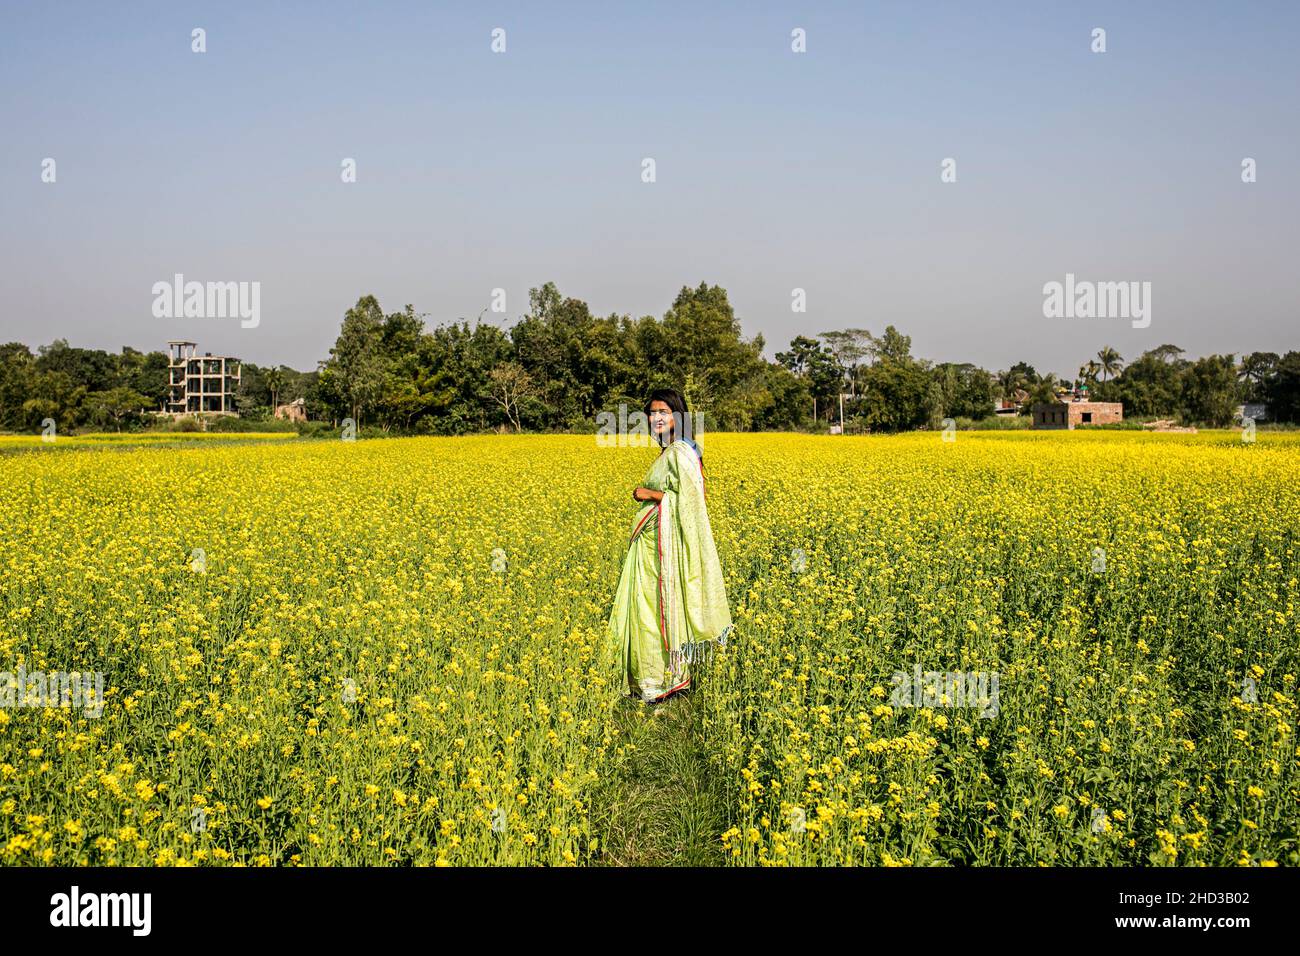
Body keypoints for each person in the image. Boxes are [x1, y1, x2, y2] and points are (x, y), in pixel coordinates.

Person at [606, 388, 734, 705]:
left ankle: (658, 682)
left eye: (663, 411)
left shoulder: (682, 451)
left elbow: (693, 501)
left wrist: (645, 494)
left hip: (664, 547)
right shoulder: (671, 451)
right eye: (652, 412)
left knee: (654, 610)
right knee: (646, 609)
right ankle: (653, 679)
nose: (656, 418)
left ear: (678, 416)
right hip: (652, 546)